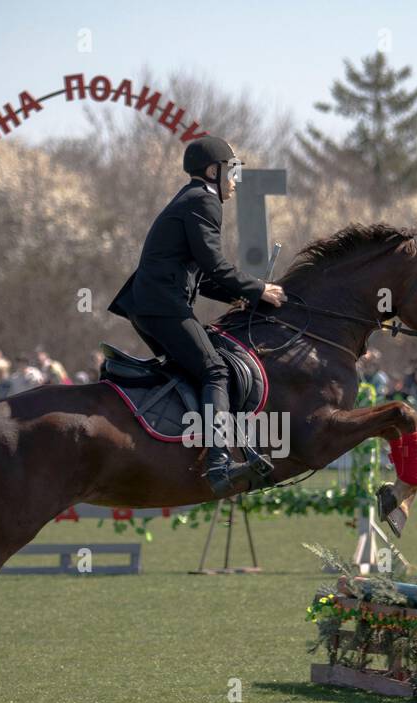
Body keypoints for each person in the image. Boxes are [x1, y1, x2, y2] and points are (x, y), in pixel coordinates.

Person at [108, 134, 287, 495]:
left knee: (198, 368)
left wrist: (240, 299)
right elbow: (215, 264)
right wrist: (257, 289)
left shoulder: (189, 199)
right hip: (162, 307)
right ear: (213, 171)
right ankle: (218, 463)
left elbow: (201, 277)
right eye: (232, 172)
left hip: (151, 306)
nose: (235, 181)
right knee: (215, 369)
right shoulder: (203, 201)